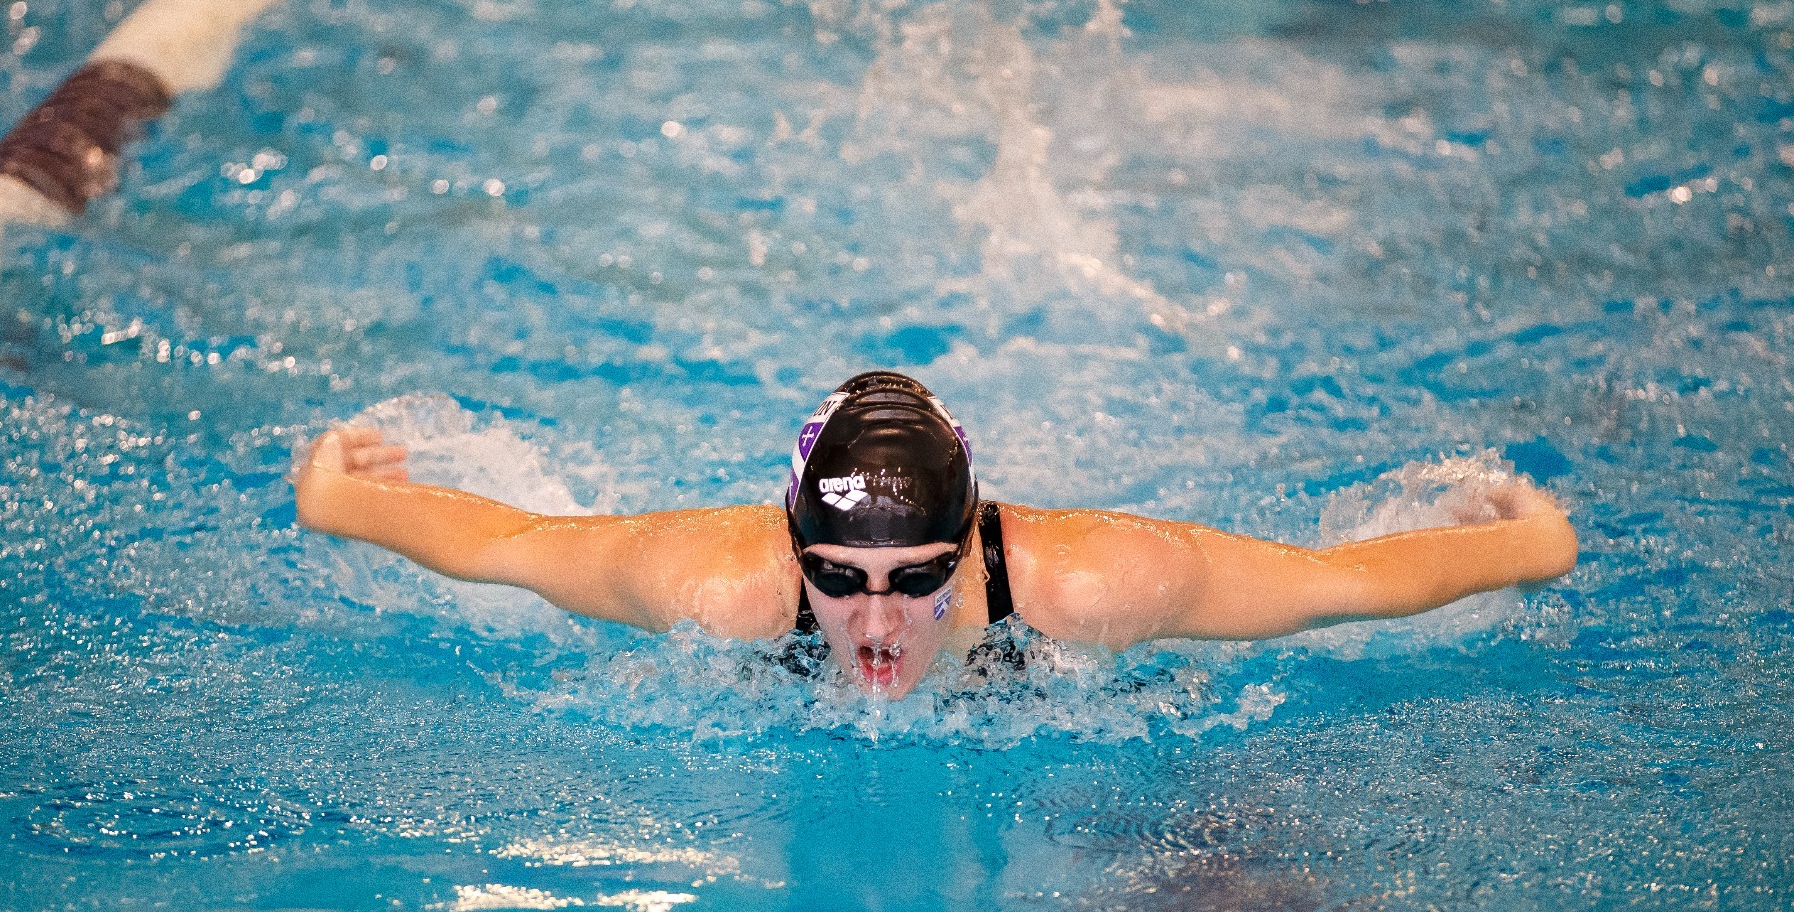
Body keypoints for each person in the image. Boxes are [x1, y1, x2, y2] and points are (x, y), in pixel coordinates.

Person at [293, 370, 1577, 696]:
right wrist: (337, 495)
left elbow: (1334, 586)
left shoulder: (1084, 581)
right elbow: (511, 540)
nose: (872, 623)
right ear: (788, 549)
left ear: (972, 548)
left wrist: (1530, 547)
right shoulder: (722, 582)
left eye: (917, 579)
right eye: (836, 579)